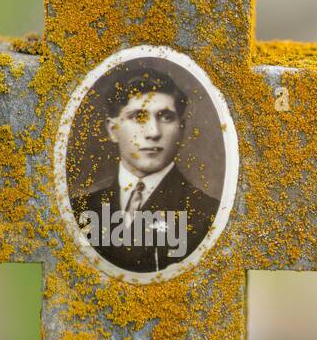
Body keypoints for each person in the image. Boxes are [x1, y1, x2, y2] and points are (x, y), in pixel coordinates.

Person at [71, 66, 218, 273]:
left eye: (166, 117)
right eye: (139, 117)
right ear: (113, 130)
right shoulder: (78, 211)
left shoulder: (207, 215)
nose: (153, 132)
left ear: (181, 129)